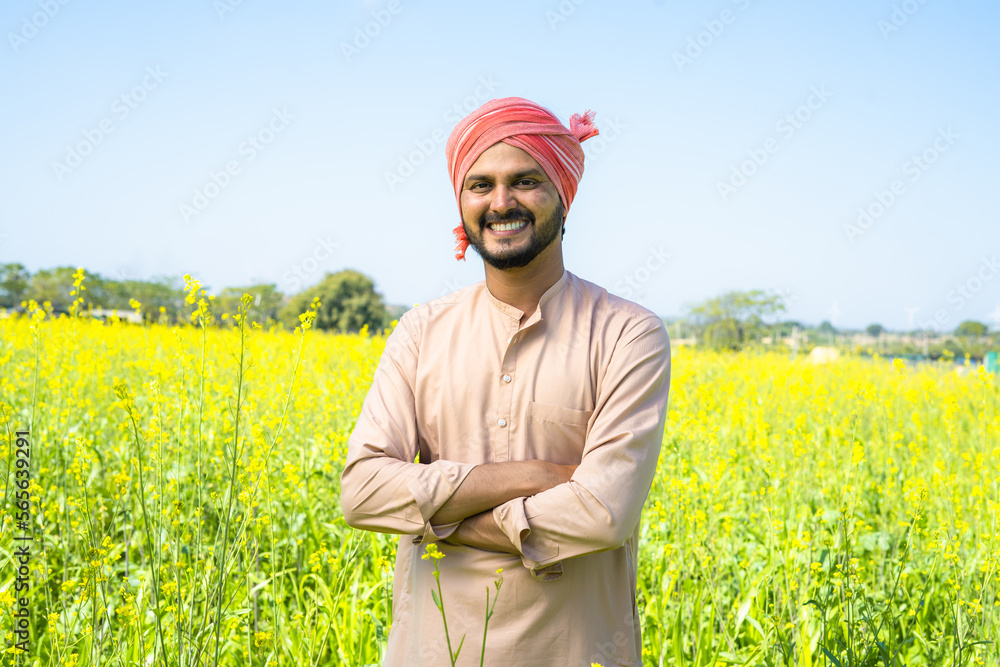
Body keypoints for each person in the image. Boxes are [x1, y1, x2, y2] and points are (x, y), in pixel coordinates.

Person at [341, 96, 671, 666]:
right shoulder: (420, 332)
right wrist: (535, 476)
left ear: (563, 198)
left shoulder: (628, 334)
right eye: (480, 185)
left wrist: (436, 520)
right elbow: (364, 491)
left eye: (526, 181)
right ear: (462, 203)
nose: (501, 202)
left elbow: (603, 513)